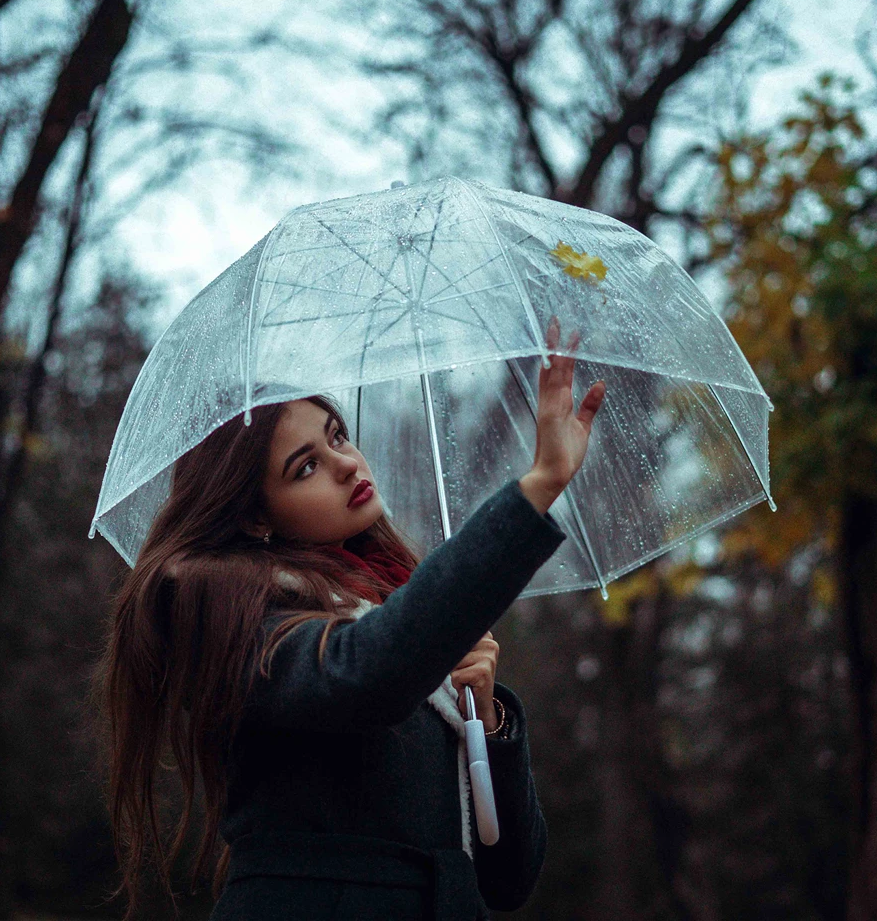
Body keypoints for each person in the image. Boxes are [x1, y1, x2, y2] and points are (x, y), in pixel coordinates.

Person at [92, 316, 605, 920]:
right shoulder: (231, 617)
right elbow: (365, 673)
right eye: (305, 466)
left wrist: (486, 718)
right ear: (254, 516)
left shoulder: (395, 608)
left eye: (336, 436)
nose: (344, 464)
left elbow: (510, 877)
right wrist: (539, 486)